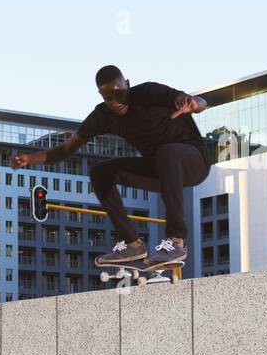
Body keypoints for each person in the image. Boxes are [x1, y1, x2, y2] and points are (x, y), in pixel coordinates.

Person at [12, 65, 210, 270]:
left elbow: (203, 103)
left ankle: (176, 241)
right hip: (161, 171)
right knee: (100, 172)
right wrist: (30, 159)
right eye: (109, 98)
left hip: (194, 162)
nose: (116, 103)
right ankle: (132, 244)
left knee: (167, 152)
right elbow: (65, 150)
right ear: (101, 95)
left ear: (128, 84)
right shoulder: (103, 116)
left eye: (120, 95)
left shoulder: (149, 93)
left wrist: (194, 103)